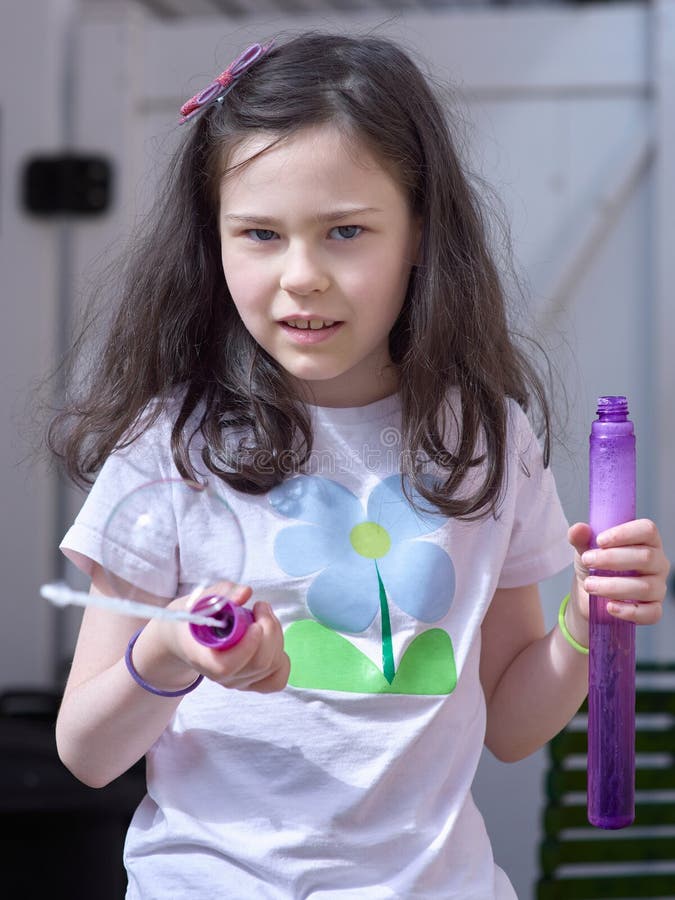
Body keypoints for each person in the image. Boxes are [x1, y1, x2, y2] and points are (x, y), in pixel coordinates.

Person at [49, 32, 669, 899]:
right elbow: (85, 752)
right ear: (213, 239)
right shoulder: (170, 447)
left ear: (419, 232)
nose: (301, 277)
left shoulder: (485, 435)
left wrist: (587, 621)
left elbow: (516, 724)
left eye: (345, 231)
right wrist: (169, 648)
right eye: (259, 234)